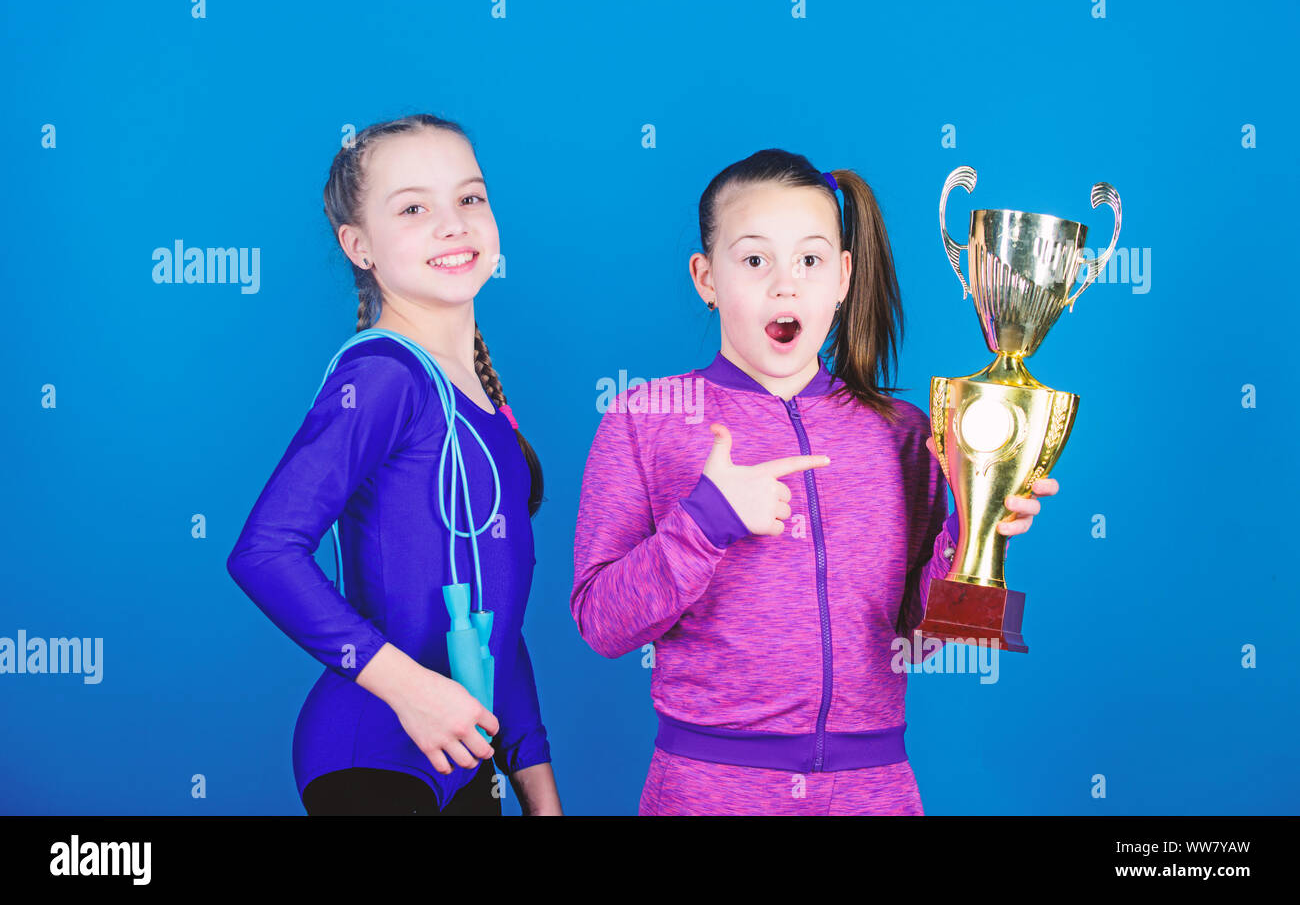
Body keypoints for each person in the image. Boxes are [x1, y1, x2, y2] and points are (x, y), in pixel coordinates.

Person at [570, 149, 1058, 815]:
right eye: (753, 260)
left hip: (874, 788)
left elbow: (920, 634)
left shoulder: (907, 433)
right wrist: (705, 523)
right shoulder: (645, 419)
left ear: (843, 277)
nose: (785, 285)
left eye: (810, 259)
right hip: (709, 788)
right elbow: (602, 622)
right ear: (705, 276)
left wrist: (972, 533)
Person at [227, 114, 560, 816]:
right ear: (359, 245)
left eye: (469, 198)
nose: (452, 223)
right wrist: (410, 690)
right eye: (414, 208)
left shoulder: (481, 397)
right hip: (374, 755)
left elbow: (494, 612)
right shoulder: (382, 376)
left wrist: (536, 778)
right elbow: (263, 552)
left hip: (464, 754)